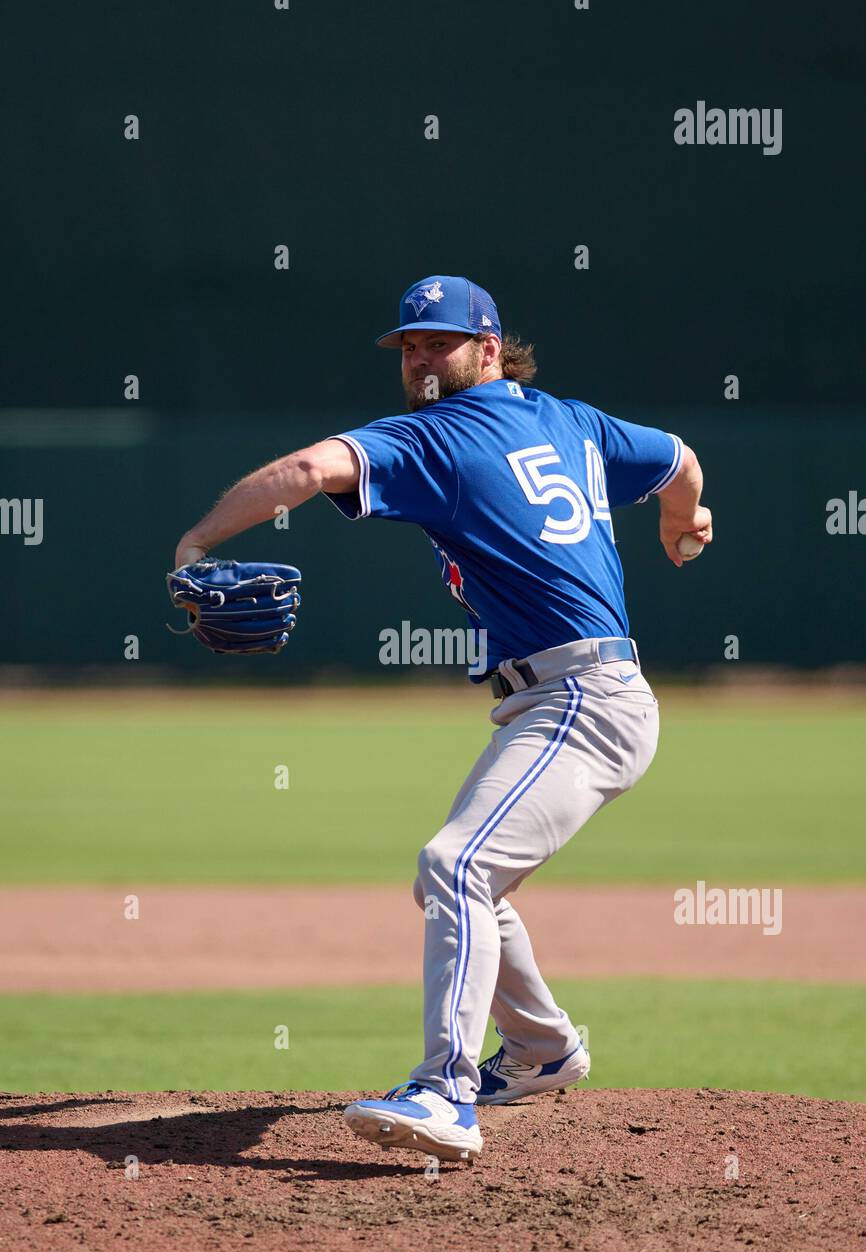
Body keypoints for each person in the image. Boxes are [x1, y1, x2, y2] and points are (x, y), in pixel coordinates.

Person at [174, 275, 713, 1164]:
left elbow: (309, 472)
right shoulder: (572, 421)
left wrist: (195, 546)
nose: (420, 358)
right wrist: (682, 521)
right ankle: (542, 1049)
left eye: (439, 343)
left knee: (453, 863)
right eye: (409, 347)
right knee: (462, 879)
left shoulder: (436, 436)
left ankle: (445, 1092)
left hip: (585, 699)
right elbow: (681, 458)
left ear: (490, 347)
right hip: (559, 700)